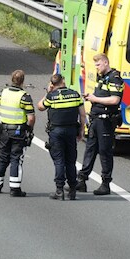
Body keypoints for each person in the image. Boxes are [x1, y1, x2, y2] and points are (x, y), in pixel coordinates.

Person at [75, 53, 125, 196]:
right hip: (96, 119)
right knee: (89, 150)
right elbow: (103, 96)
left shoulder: (115, 78)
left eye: (98, 65)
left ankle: (105, 183)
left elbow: (115, 100)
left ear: (105, 62)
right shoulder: (102, 77)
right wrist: (91, 98)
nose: (96, 68)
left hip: (106, 120)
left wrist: (95, 98)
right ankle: (81, 180)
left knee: (104, 152)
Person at [37, 72, 84, 201]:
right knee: (70, 161)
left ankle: (59, 190)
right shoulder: (75, 94)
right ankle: (73, 190)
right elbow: (83, 115)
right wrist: (81, 130)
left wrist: (47, 91)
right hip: (71, 131)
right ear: (63, 81)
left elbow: (40, 107)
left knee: (59, 161)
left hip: (56, 132)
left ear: (53, 84)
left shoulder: (51, 97)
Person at [0, 70, 35, 197]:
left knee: (3, 157)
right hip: (18, 131)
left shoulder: (3, 92)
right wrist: (29, 129)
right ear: (22, 81)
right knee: (16, 158)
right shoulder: (24, 96)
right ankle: (15, 188)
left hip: (4, 129)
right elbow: (31, 118)